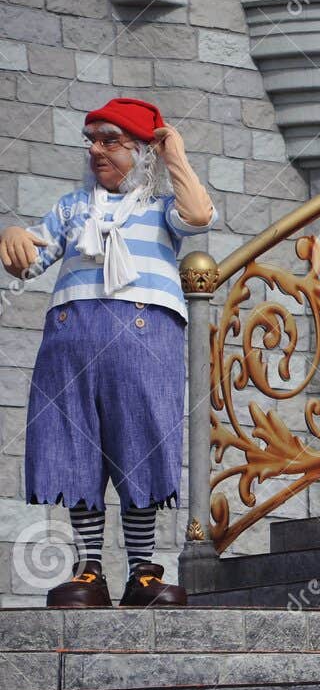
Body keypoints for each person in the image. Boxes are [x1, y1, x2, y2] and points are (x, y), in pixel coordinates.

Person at [1, 97, 214, 607]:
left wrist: (174, 155)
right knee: (75, 448)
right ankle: (89, 568)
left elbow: (200, 213)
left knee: (139, 444)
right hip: (71, 340)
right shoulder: (73, 208)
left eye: (110, 140)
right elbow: (31, 261)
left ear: (141, 151)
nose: (96, 150)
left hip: (145, 340)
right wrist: (13, 237)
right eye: (91, 140)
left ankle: (142, 570)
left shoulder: (160, 208)